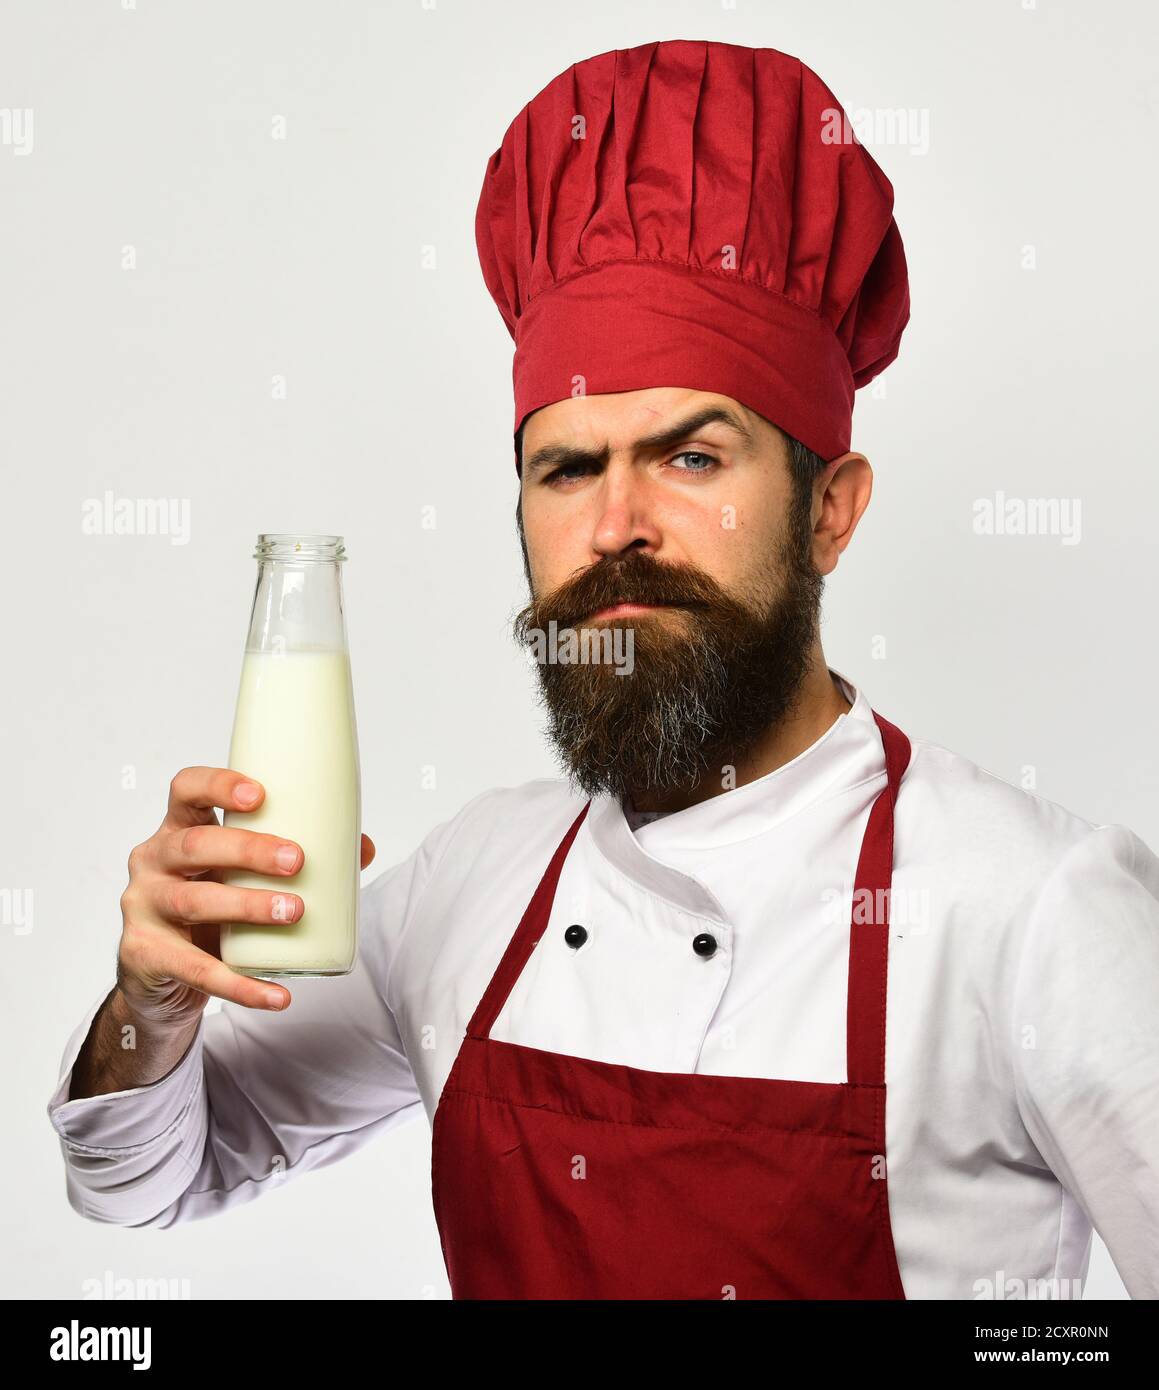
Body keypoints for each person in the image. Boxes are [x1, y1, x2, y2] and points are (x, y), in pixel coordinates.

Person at [48, 38, 1159, 1300]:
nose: (616, 522)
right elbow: (137, 1180)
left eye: (691, 457)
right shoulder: (469, 888)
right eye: (567, 468)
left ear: (829, 511)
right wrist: (150, 1002)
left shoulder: (1035, 910)